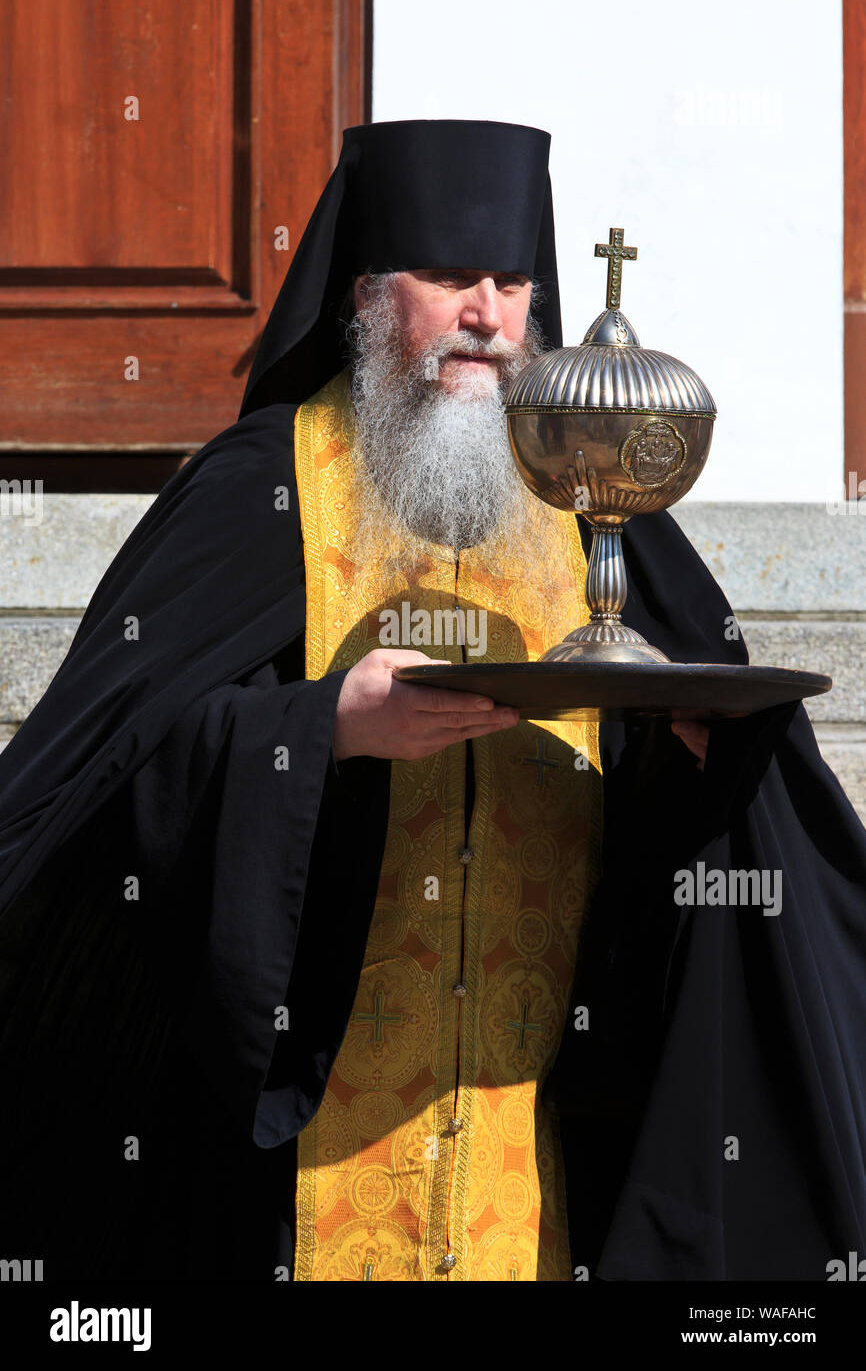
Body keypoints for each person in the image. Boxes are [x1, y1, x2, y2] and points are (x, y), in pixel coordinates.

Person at [0, 119, 864, 1283]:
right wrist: (319, 732)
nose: (486, 316)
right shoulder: (264, 489)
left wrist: (694, 750)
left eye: (510, 282)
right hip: (300, 1147)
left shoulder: (590, 496)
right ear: (365, 294)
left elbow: (720, 799)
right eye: (451, 277)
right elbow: (101, 772)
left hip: (532, 1135)